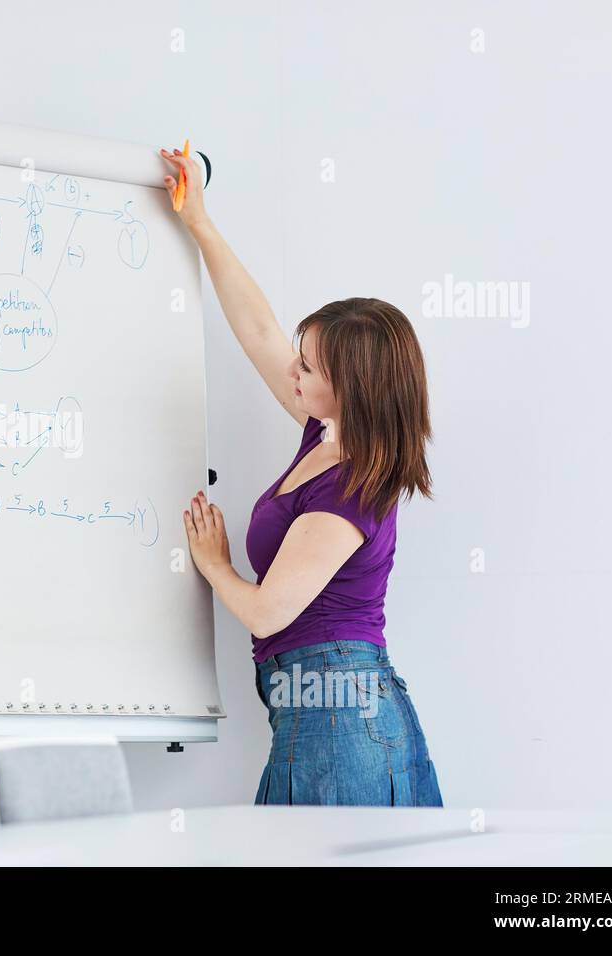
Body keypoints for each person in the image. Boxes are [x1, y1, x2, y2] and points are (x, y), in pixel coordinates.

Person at [159, 145, 443, 806]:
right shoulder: (325, 432)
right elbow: (258, 330)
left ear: (348, 390)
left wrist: (214, 563)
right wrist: (200, 222)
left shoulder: (348, 488)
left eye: (308, 368)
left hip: (339, 716)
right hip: (328, 711)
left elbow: (268, 609)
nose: (294, 371)